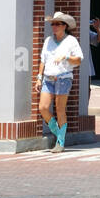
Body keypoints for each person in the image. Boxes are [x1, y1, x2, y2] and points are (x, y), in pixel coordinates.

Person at [37, 11, 82, 153]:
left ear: (65, 26)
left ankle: (60, 142)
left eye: (57, 24)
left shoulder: (71, 41)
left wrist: (66, 57)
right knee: (43, 108)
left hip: (63, 77)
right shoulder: (48, 40)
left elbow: (79, 60)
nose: (54, 26)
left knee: (59, 109)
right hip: (48, 78)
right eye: (53, 24)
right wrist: (39, 77)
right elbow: (43, 60)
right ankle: (58, 133)